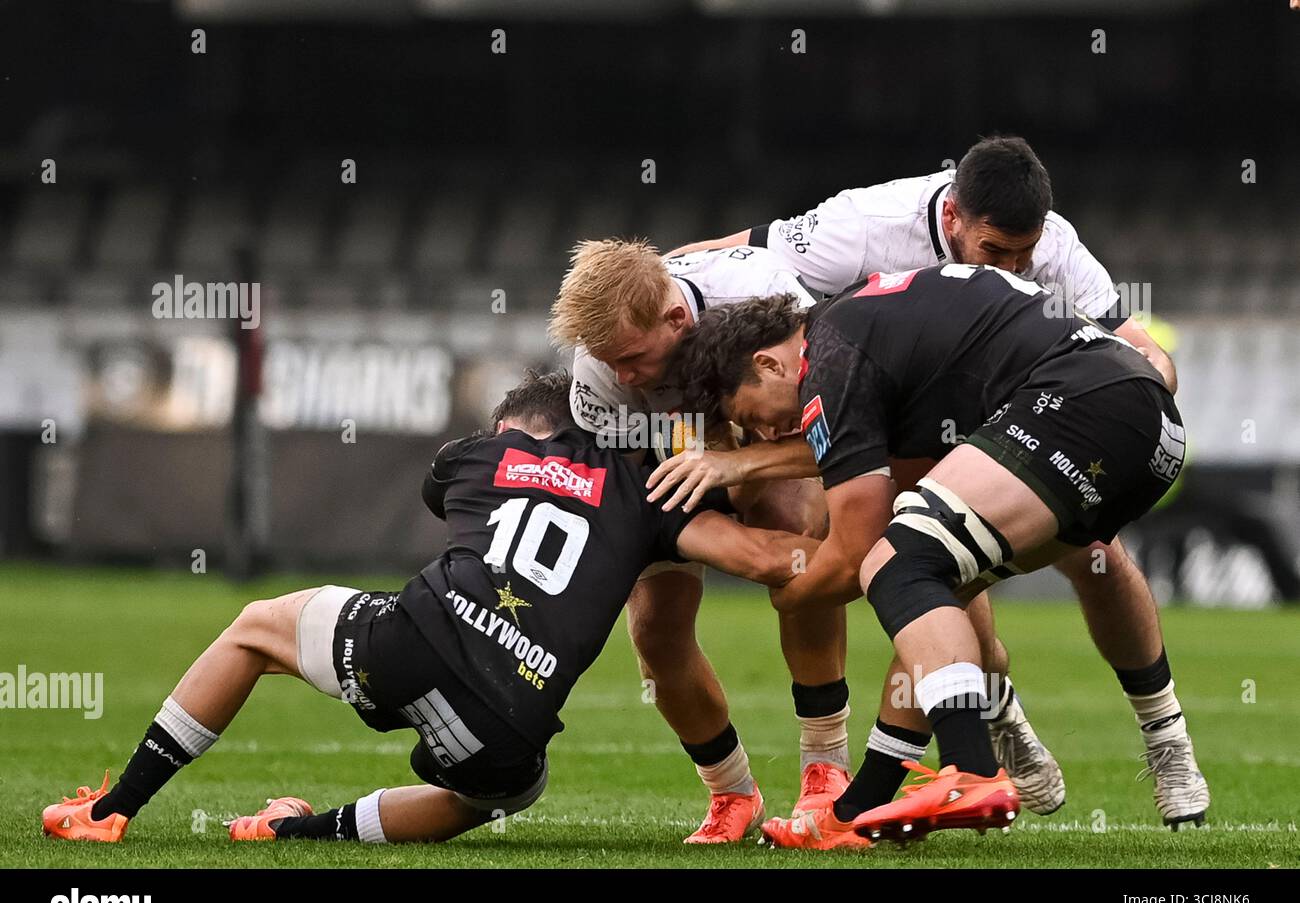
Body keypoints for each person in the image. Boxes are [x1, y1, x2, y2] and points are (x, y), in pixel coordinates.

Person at [651, 136, 1206, 825]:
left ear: (767, 364)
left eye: (750, 418)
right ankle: (868, 802)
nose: (766, 432)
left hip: (1067, 406)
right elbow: (726, 251)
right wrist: (643, 281)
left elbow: (852, 551)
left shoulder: (837, 350)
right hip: (1081, 417)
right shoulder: (859, 232)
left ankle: (985, 766)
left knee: (904, 560)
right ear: (951, 222)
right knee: (930, 573)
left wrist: (786, 585)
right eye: (996, 251)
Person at [42, 370, 814, 846]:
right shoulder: (650, 495)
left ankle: (113, 808)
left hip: (413, 645)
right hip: (510, 726)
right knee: (502, 793)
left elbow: (451, 488)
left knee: (254, 630)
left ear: (525, 430)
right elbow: (763, 559)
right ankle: (290, 829)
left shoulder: (472, 455)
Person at [551, 239, 1056, 842]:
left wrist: (741, 466)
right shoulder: (598, 374)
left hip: (776, 438)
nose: (621, 375)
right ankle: (731, 791)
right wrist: (706, 519)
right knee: (656, 630)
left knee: (807, 546)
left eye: (631, 358)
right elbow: (637, 496)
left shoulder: (761, 290)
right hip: (670, 462)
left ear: (678, 320)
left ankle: (827, 766)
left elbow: (837, 422)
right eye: (608, 361)